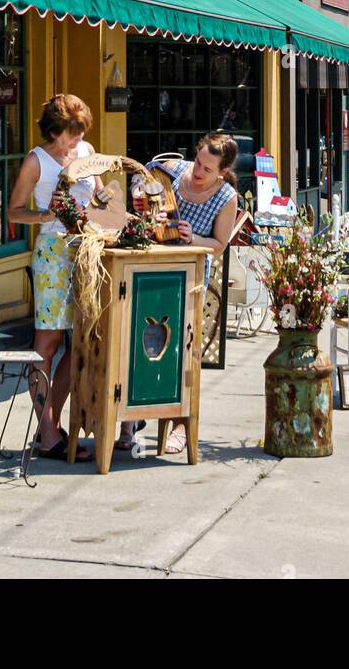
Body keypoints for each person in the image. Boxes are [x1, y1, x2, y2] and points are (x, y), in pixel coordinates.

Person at [7, 94, 100, 461]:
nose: (77, 140)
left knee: (80, 343)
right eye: (70, 134)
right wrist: (44, 216)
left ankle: (52, 423)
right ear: (53, 131)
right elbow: (14, 212)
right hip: (52, 254)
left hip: (86, 251)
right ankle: (47, 432)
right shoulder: (37, 161)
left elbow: (97, 197)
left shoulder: (87, 150)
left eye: (80, 132)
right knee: (47, 343)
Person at [149, 131, 240, 456]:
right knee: (143, 343)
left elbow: (219, 245)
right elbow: (144, 182)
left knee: (184, 350)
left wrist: (193, 238)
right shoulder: (175, 170)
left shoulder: (226, 196)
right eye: (199, 162)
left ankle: (180, 425)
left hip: (191, 275)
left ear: (223, 172)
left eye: (207, 169)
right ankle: (131, 423)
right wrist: (147, 207)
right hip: (151, 266)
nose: (198, 172)